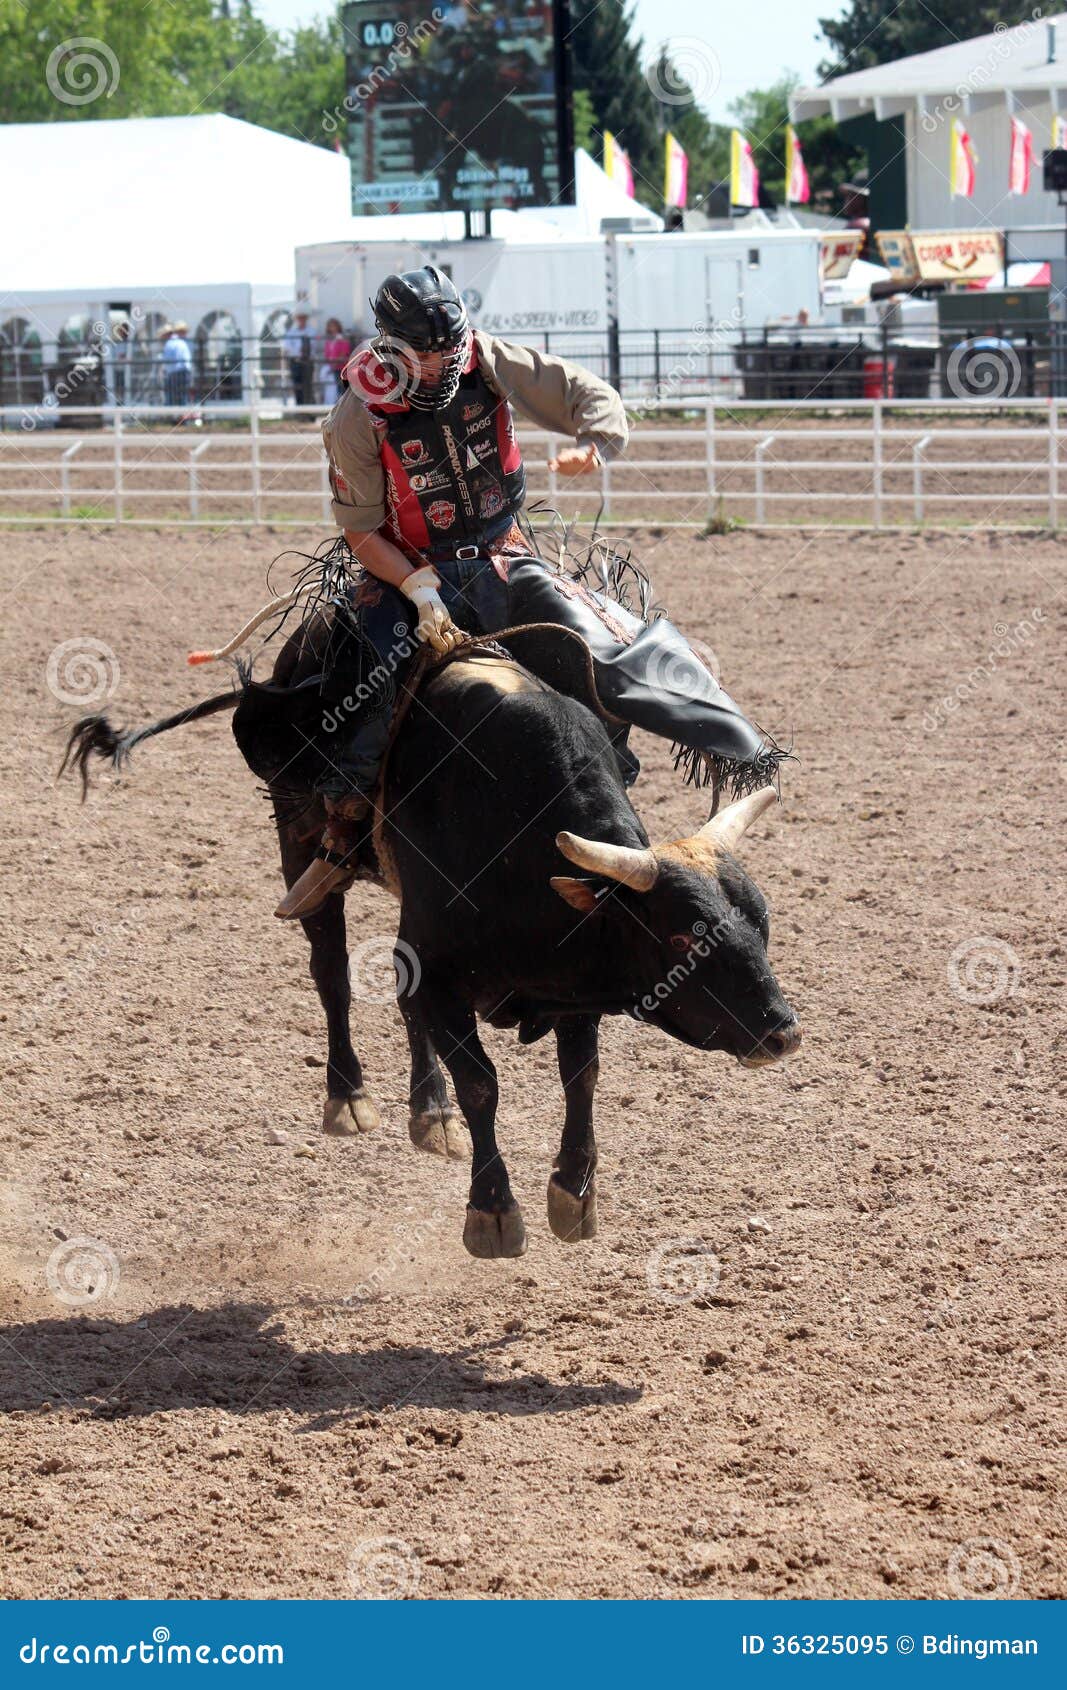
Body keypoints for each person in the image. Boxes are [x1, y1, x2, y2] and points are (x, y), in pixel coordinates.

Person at [274, 265, 623, 918]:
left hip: (500, 552)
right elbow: (358, 531)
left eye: (448, 353)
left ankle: (610, 786)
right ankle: (345, 824)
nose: (440, 368)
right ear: (393, 351)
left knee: (591, 651)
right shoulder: (358, 415)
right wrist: (414, 584)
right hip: (407, 567)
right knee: (374, 675)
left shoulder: (487, 361)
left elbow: (581, 390)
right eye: (425, 357)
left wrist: (594, 443)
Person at [282, 311, 314, 406]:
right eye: (299, 318)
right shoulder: (291, 332)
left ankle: (309, 409)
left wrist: (300, 350)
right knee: (297, 386)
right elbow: (287, 347)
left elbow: (313, 345)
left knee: (307, 386)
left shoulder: (311, 331)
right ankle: (300, 408)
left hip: (307, 362)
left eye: (303, 318)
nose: (301, 320)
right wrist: (300, 351)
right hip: (295, 361)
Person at [319, 317, 351, 406]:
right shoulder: (329, 340)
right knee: (332, 387)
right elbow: (327, 354)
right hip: (332, 367)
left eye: (334, 326)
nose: (332, 328)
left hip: (340, 366)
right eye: (330, 326)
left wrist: (335, 362)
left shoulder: (342, 338)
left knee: (341, 387)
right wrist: (331, 364)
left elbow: (345, 351)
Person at [160, 321, 192, 410]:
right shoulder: (182, 342)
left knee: (171, 395)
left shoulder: (170, 343)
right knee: (182, 395)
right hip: (184, 371)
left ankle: (171, 416)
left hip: (175, 372)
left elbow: (167, 361)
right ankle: (181, 416)